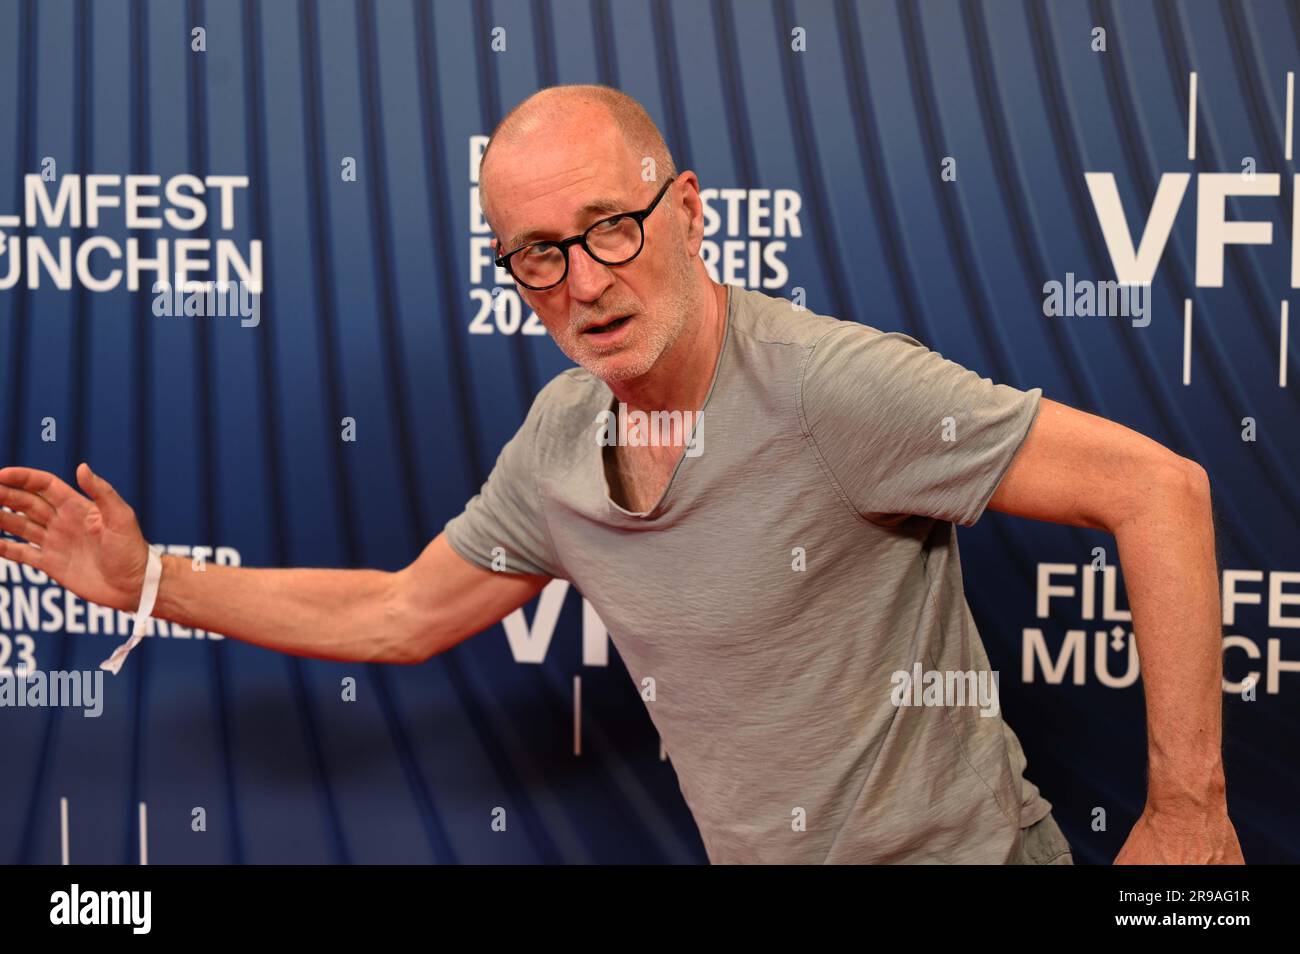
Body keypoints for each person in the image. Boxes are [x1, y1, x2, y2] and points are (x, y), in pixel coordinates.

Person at [0, 84, 1242, 864]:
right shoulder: (555, 443)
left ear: (687, 209)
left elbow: (1160, 492)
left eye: (607, 228)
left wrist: (1187, 813)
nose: (583, 283)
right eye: (536, 255)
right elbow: (395, 613)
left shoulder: (832, 386)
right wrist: (152, 581)